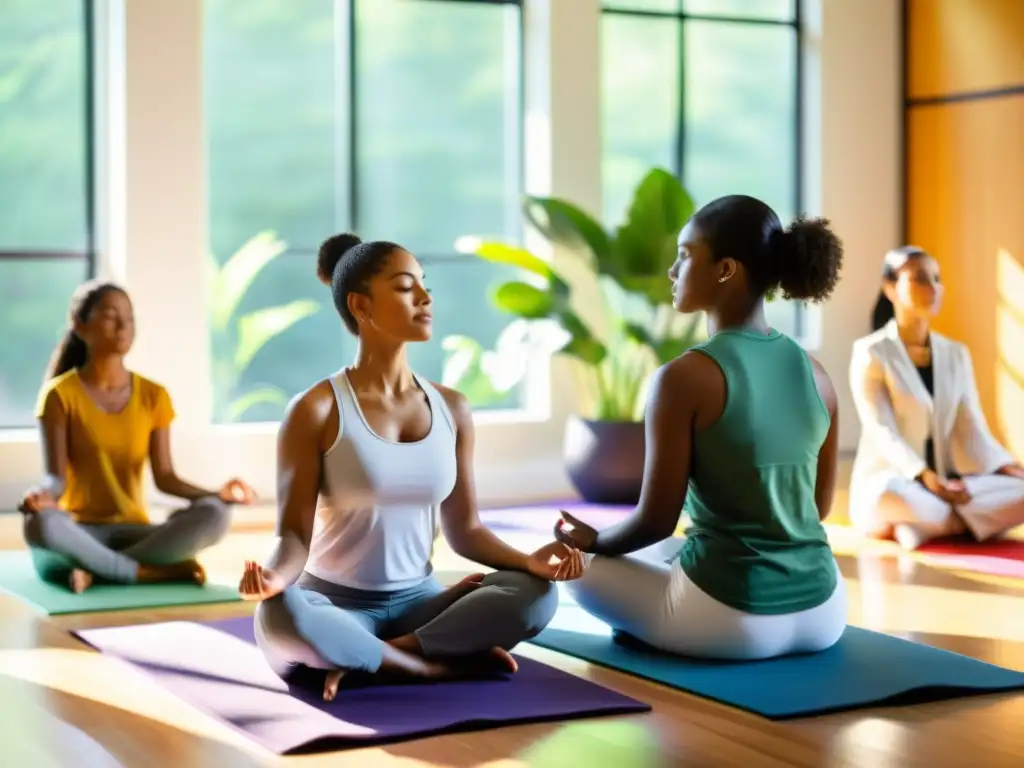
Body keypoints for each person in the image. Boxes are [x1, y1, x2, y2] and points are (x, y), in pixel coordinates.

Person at [239, 234, 585, 701]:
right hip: (336, 607)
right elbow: (293, 537)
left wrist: (530, 561)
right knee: (282, 615)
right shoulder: (316, 409)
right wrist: (273, 579)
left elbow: (465, 530)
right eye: (406, 287)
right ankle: (433, 667)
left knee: (538, 594)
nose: (425, 298)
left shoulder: (453, 408)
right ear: (361, 305)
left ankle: (384, 656)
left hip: (421, 605)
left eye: (425, 285)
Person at [552, 195, 848, 661]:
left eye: (685, 255)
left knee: (578, 566)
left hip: (732, 622)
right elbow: (819, 506)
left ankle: (657, 626)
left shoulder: (683, 377)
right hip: (825, 612)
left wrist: (594, 541)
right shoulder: (816, 371)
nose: (672, 271)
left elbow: (654, 520)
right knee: (670, 550)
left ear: (726, 269)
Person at [19, 280, 255, 593]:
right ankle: (149, 572)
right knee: (40, 524)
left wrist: (216, 495)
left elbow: (166, 477)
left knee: (217, 514)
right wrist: (40, 496)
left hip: (137, 531)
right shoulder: (59, 395)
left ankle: (98, 568)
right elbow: (55, 480)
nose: (123, 326)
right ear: (79, 325)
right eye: (110, 315)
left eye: (129, 318)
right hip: (81, 529)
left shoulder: (153, 395)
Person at [848, 246, 1024, 550]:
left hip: (946, 487)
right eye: (919, 278)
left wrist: (1007, 467)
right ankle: (961, 522)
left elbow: (973, 427)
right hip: (899, 482)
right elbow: (882, 431)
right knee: (886, 494)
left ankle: (924, 527)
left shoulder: (956, 353)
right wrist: (927, 479)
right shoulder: (870, 352)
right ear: (890, 289)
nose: (933, 287)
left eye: (936, 278)